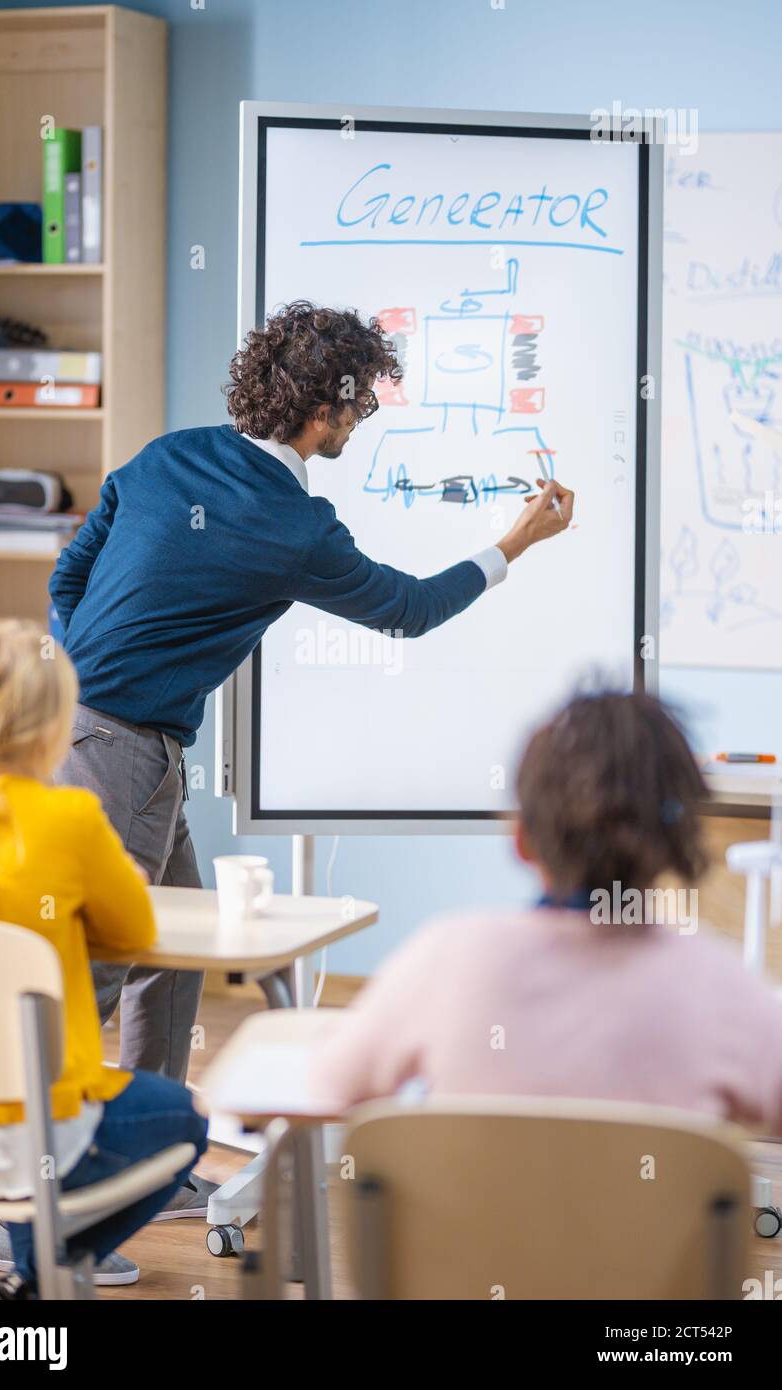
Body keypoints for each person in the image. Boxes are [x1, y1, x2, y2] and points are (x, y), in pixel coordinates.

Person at [48, 299, 574, 1217]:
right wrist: (515, 544)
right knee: (86, 985)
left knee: (174, 961)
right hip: (120, 754)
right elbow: (407, 608)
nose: (361, 424)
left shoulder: (167, 456)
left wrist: (80, 678)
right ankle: (52, 1222)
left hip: (120, 743)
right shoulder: (292, 525)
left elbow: (66, 578)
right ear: (323, 411)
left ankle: (154, 1169)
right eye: (360, 407)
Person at [310, 689, 782, 1137]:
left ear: (521, 839)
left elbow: (323, 1090)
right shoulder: (724, 990)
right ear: (680, 842)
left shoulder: (444, 961)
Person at [0, 621, 208, 1298]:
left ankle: (30, 1271)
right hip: (31, 1142)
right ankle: (41, 1272)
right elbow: (135, 933)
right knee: (184, 1118)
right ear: (54, 731)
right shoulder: (71, 820)